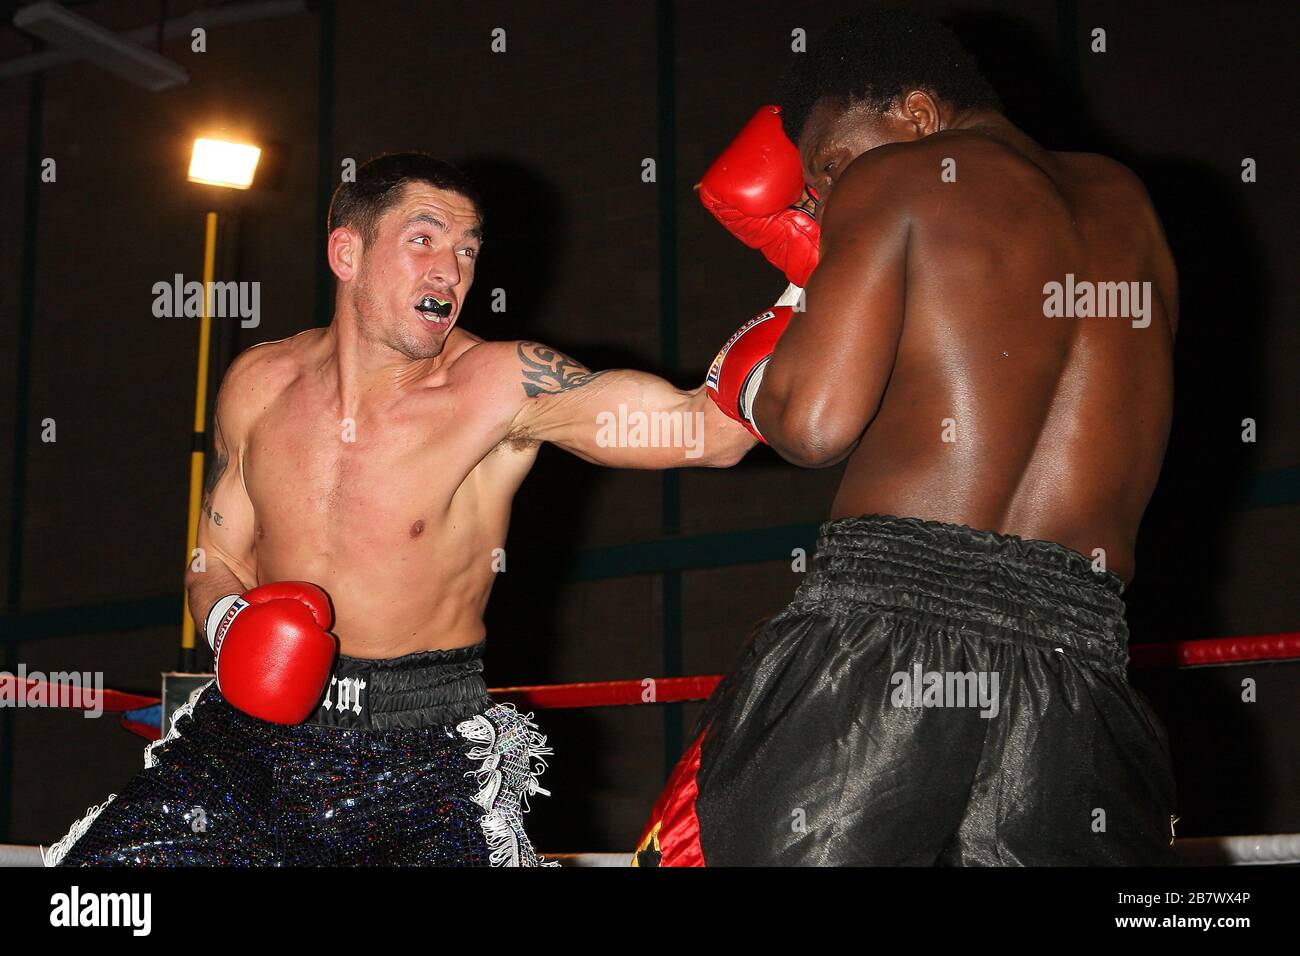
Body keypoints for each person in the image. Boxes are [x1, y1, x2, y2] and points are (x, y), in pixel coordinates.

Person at [47, 152, 754, 867]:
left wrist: (815, 284)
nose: (450, 271)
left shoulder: (503, 385)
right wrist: (234, 626)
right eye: (424, 239)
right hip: (249, 741)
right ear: (346, 252)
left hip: (420, 757)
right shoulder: (258, 386)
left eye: (467, 251)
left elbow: (706, 432)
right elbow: (216, 559)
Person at [637, 9, 1180, 866]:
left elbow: (815, 423)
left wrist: (762, 357)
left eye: (827, 167)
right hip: (1079, 675)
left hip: (886, 642)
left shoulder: (897, 179)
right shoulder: (1130, 203)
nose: (818, 200)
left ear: (919, 115)